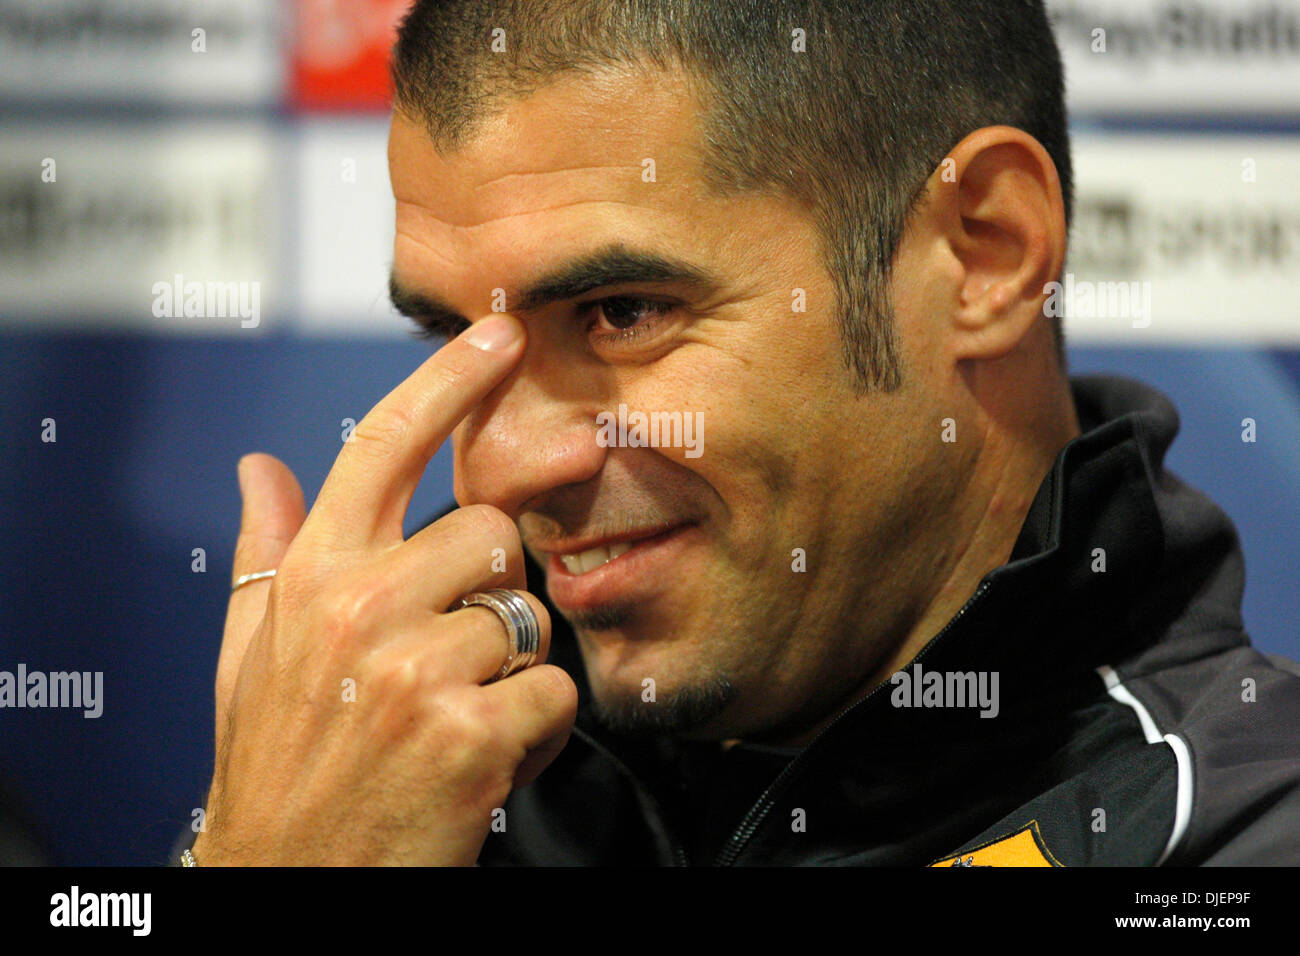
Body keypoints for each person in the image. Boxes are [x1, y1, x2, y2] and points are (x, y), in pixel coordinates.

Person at [183, 0, 1300, 866]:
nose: (504, 467)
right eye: (449, 337)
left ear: (985, 253)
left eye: (623, 313)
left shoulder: (1239, 831)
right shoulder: (415, 781)